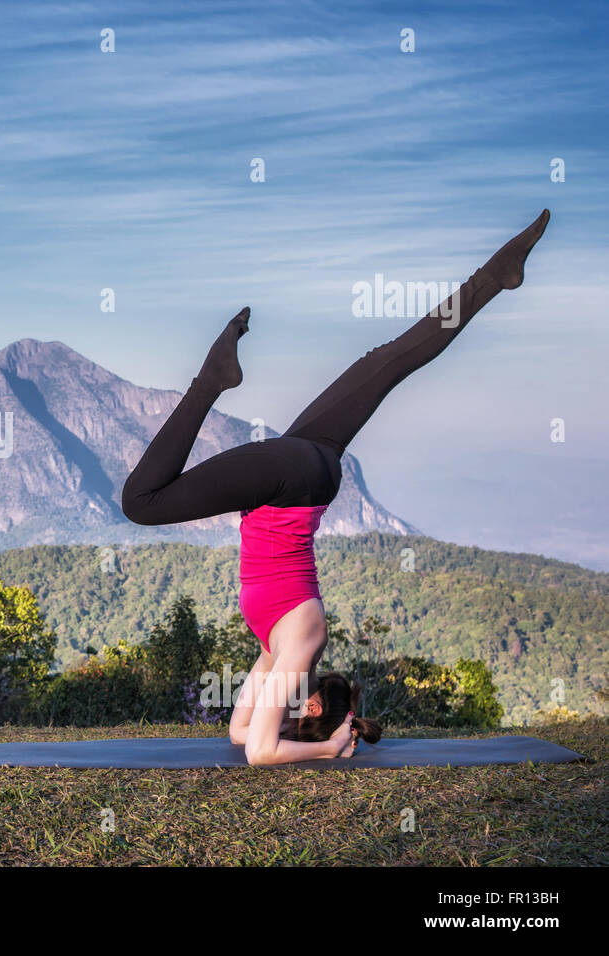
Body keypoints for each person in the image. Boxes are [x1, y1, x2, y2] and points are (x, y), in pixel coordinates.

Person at [121, 210, 550, 765]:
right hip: (287, 483)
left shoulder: (277, 653)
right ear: (312, 706)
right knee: (141, 502)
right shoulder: (300, 644)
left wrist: (323, 732)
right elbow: (260, 754)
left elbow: (239, 734)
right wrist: (325, 748)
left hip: (306, 467)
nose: (286, 705)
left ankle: (496, 274)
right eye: (298, 712)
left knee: (386, 362)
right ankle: (212, 379)